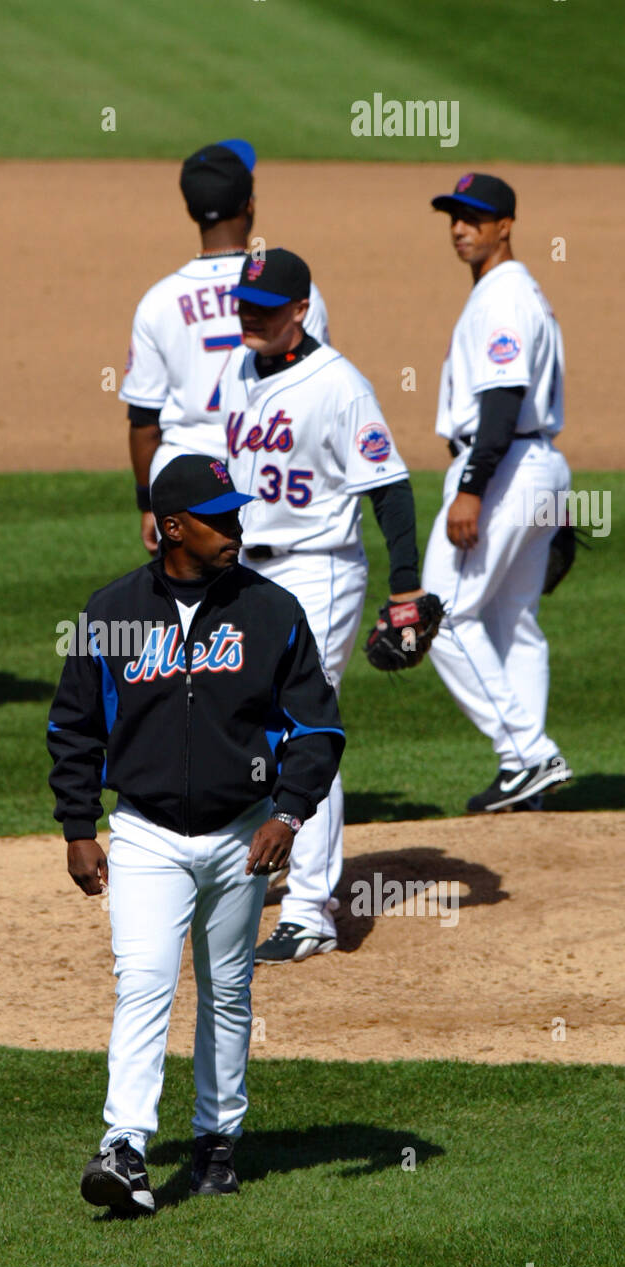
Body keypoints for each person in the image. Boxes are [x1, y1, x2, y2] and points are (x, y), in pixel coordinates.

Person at [48, 456, 343, 1216]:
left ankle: (217, 1140)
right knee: (143, 982)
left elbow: (318, 728)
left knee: (228, 991)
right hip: (144, 835)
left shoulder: (271, 611)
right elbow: (73, 727)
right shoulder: (111, 611)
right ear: (171, 528)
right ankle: (126, 1145)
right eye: (220, 519)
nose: (236, 531)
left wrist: (288, 812)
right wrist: (78, 825)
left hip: (242, 833)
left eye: (237, 516)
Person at [216, 248, 429, 965]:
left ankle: (311, 911)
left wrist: (405, 589)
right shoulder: (237, 370)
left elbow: (390, 488)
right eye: (244, 305)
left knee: (307, 726)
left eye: (266, 310)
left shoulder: (341, 386)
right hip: (244, 569)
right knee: (246, 718)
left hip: (319, 571)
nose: (250, 317)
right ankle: (264, 855)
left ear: (301, 311)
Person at [422, 173, 572, 812]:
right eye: (454, 216)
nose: (461, 228)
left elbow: (504, 401)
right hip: (536, 462)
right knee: (514, 621)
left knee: (441, 615)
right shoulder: (518, 290)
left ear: (505, 225)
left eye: (474, 218)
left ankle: (529, 753)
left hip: (504, 464)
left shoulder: (502, 298)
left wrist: (473, 490)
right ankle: (524, 777)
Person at [119, 140, 329, 555]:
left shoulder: (158, 301)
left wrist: (147, 504)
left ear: (190, 211)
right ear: (249, 205)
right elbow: (314, 393)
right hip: (268, 474)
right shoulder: (292, 291)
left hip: (184, 485)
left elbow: (144, 422)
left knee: (195, 615)